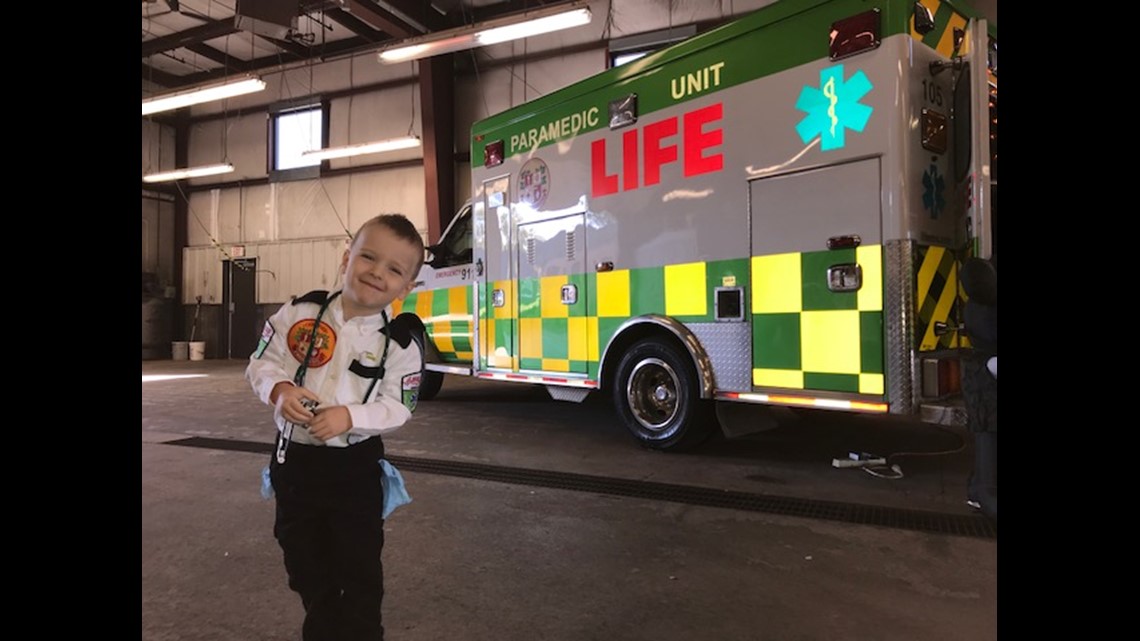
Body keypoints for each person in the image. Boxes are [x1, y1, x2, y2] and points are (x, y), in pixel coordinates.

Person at [246, 213, 426, 641]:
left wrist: (351, 417)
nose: (376, 273)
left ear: (407, 287)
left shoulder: (399, 344)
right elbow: (261, 362)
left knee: (359, 570)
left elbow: (399, 405)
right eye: (368, 257)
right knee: (303, 562)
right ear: (346, 258)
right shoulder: (300, 311)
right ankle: (323, 621)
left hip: (353, 471)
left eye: (394, 270)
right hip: (295, 466)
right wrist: (281, 390)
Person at [959, 252, 997, 523]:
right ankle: (985, 495)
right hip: (986, 378)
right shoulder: (985, 304)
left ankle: (978, 490)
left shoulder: (983, 298)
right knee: (988, 432)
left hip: (983, 374)